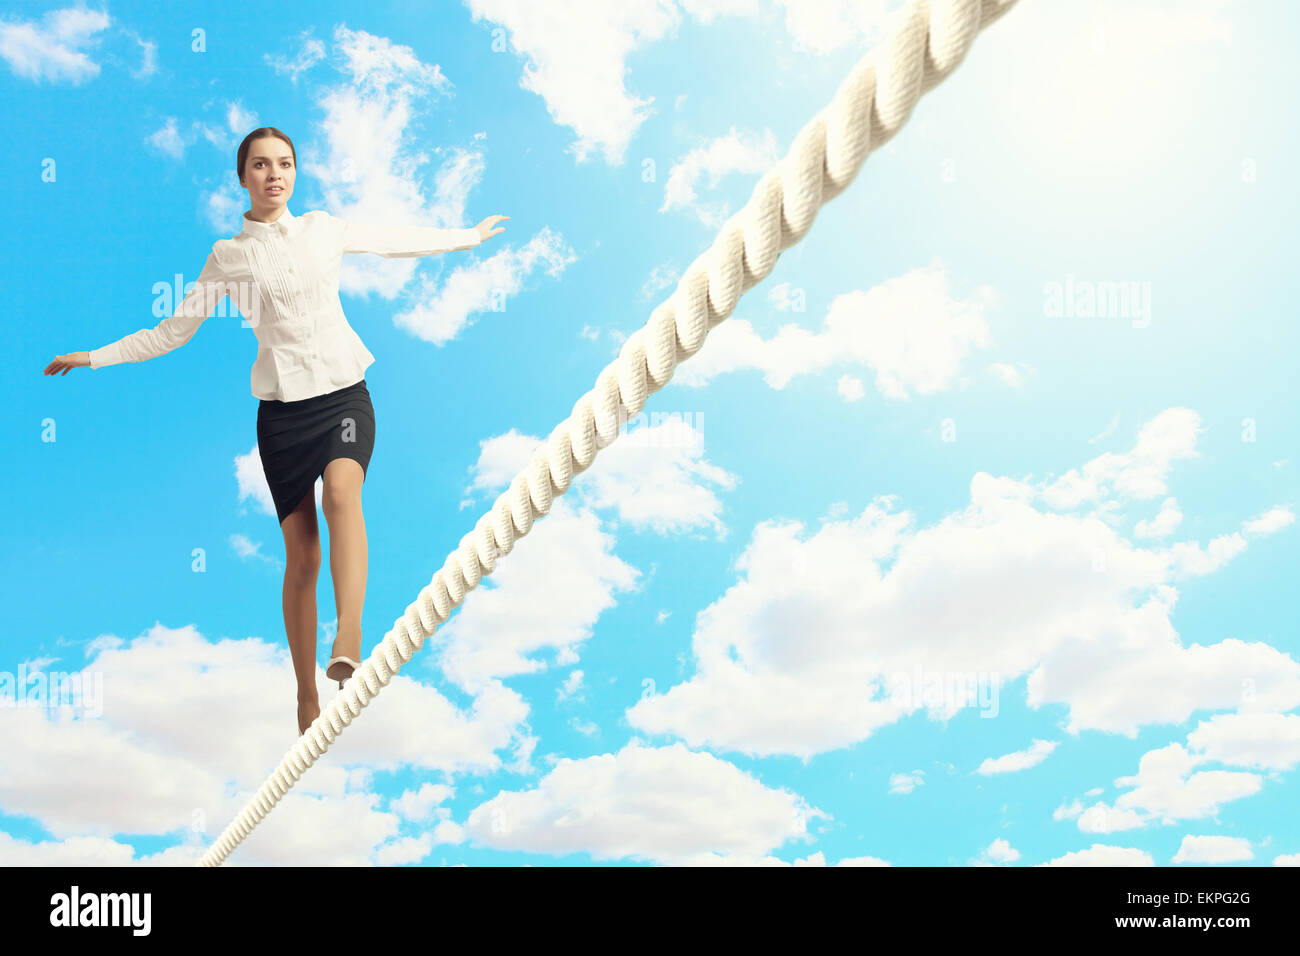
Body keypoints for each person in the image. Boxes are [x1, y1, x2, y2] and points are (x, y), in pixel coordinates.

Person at [43, 126, 508, 738]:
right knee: (303, 557)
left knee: (344, 495)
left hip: (344, 393)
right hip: (283, 416)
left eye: (285, 164)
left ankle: (349, 631)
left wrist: (466, 238)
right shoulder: (228, 256)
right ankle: (306, 692)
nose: (274, 175)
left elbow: (393, 241)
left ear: (296, 172)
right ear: (242, 177)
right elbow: (171, 333)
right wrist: (94, 356)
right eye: (260, 165)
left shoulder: (324, 228)